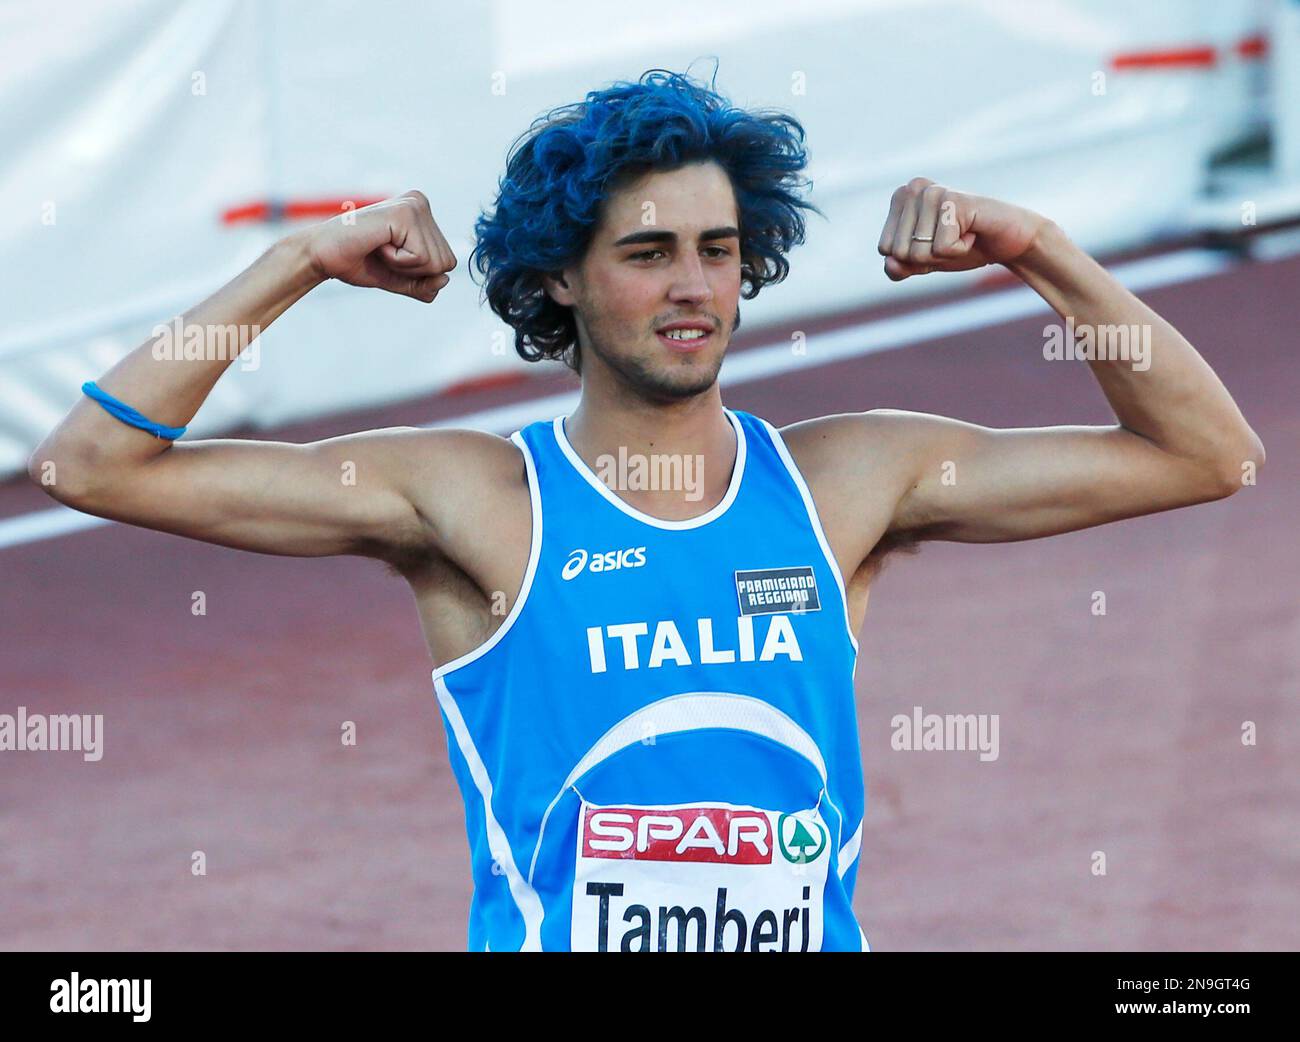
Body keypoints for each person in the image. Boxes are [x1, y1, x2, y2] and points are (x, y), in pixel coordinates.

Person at [29, 69, 1263, 952]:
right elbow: (94, 465)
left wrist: (1036, 245)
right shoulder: (475, 501)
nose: (693, 288)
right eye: (648, 251)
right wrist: (298, 259)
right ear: (560, 275)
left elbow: (1206, 456)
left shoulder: (845, 484)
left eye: (719, 249)